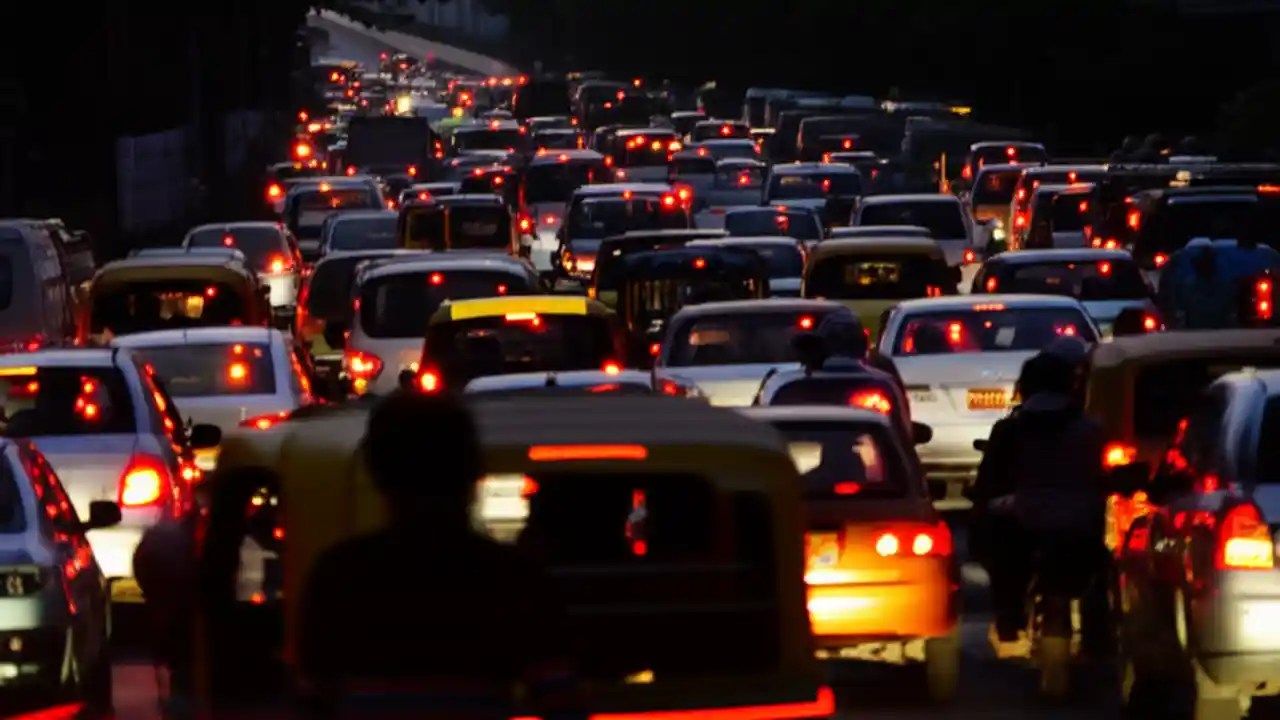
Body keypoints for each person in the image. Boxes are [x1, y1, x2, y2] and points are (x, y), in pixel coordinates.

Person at [298, 393, 581, 719]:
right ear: (473, 471)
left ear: (377, 472)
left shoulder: (339, 577)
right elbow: (561, 703)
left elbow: (313, 701)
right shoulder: (512, 580)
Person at [972, 344, 1108, 659]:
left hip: (1027, 525)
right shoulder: (1090, 430)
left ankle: (1009, 615)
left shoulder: (1009, 430)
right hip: (1078, 528)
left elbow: (987, 484)